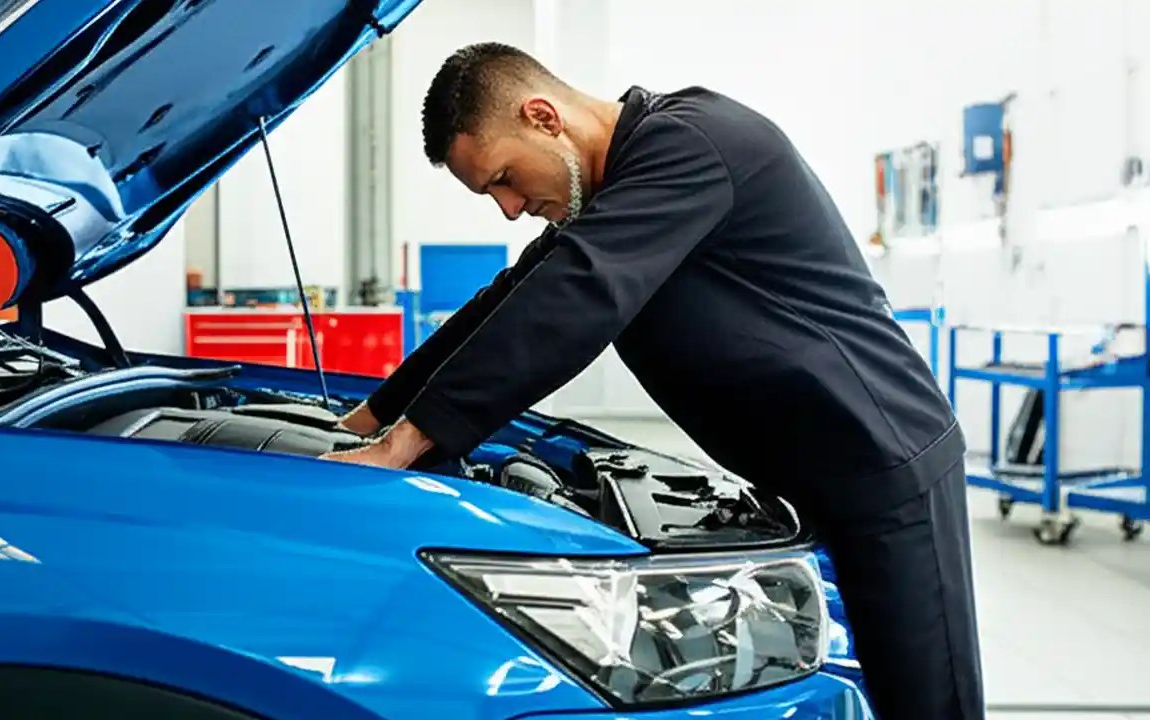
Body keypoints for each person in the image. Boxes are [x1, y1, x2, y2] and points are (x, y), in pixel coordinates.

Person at [321, 42, 984, 720]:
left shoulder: (693, 145)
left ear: (543, 117)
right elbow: (513, 297)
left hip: (883, 461)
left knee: (928, 703)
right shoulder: (620, 188)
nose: (510, 208)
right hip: (810, 471)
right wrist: (373, 416)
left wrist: (413, 441)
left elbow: (579, 294)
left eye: (503, 179)